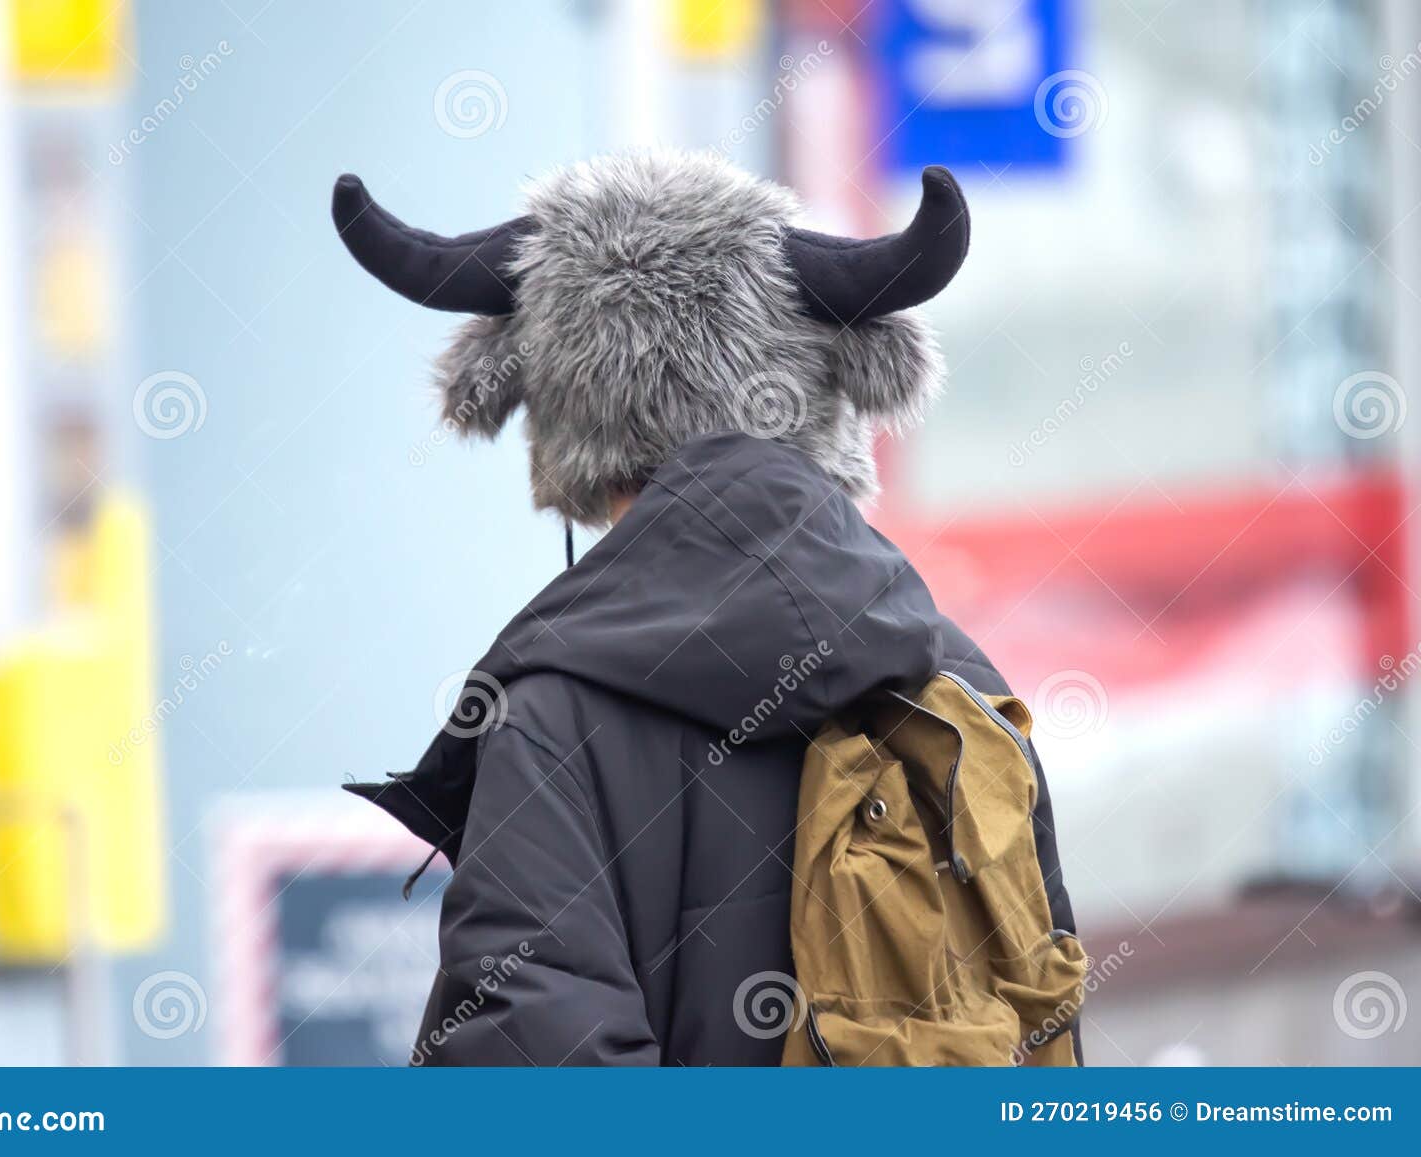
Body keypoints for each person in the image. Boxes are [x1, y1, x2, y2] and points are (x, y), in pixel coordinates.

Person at [336, 151, 1078, 1065]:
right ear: (828, 397)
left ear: (572, 435)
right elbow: (1046, 1024)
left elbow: (532, 1062)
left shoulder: (550, 717)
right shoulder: (959, 691)